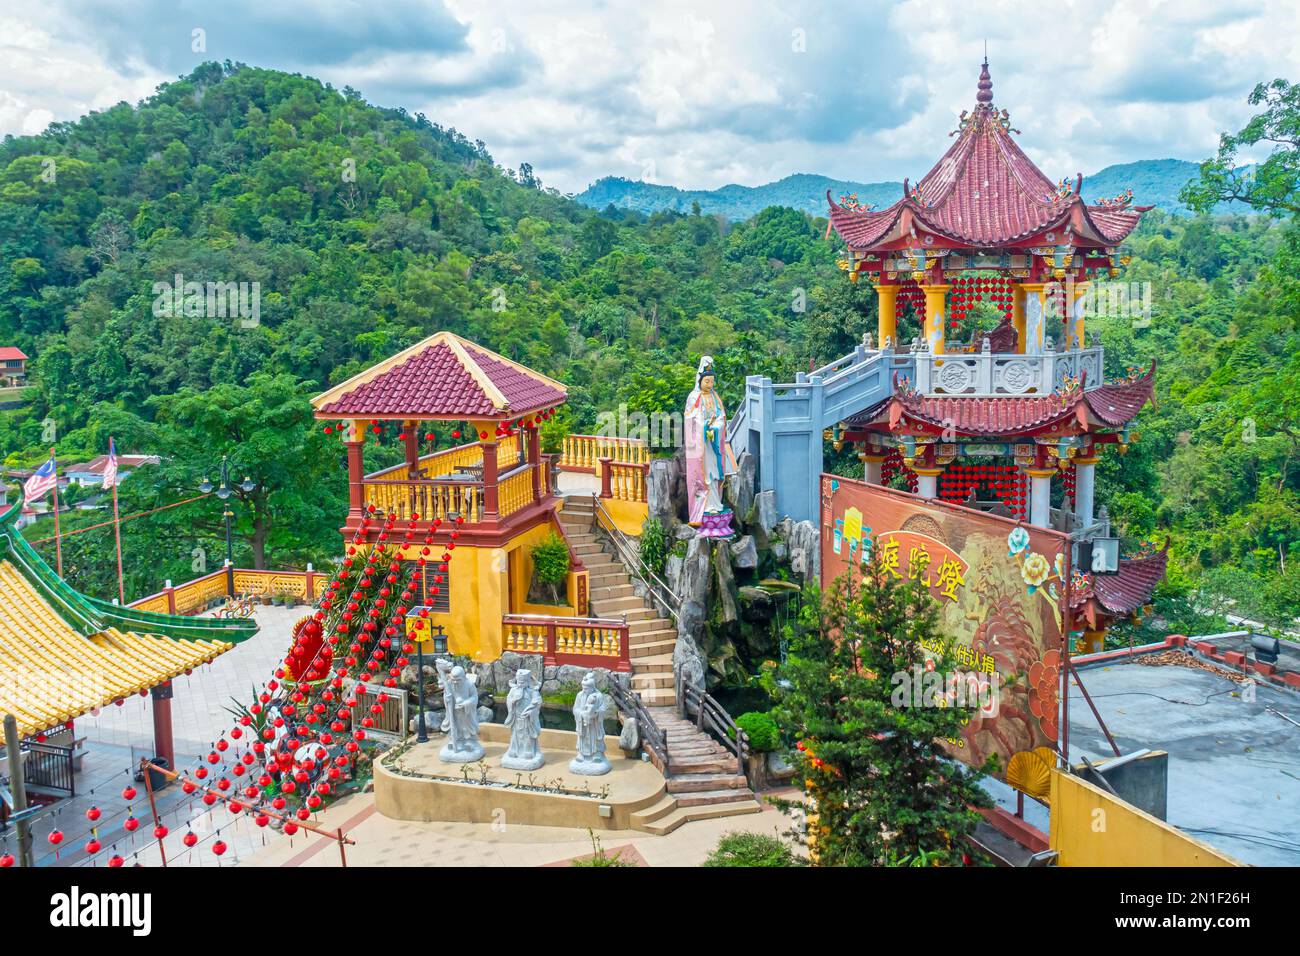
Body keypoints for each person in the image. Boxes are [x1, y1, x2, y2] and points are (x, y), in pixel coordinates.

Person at [683, 355, 738, 526]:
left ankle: (715, 503)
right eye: (707, 381)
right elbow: (690, 418)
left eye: (712, 381)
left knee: (714, 473)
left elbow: (721, 416)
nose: (710, 384)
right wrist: (704, 427)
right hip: (701, 447)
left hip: (713, 444)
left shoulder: (715, 397)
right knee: (703, 473)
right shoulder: (694, 397)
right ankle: (702, 508)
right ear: (700, 380)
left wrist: (715, 427)